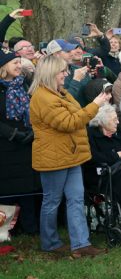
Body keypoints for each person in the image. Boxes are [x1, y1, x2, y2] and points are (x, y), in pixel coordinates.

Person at [29, 55, 111, 256]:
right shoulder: (43, 98)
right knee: (52, 201)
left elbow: (76, 116)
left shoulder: (60, 93)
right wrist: (96, 104)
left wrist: (92, 107)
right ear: (51, 73)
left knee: (75, 199)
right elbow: (69, 123)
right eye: (62, 71)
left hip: (71, 155)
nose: (66, 74)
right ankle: (50, 243)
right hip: (53, 158)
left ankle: (81, 244)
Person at [0, 51, 38, 236]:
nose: (18, 66)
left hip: (26, 142)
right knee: (6, 189)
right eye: (15, 62)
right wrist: (12, 133)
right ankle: (5, 231)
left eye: (19, 62)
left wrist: (31, 131)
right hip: (5, 145)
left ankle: (30, 229)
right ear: (3, 66)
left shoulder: (23, 84)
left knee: (27, 188)